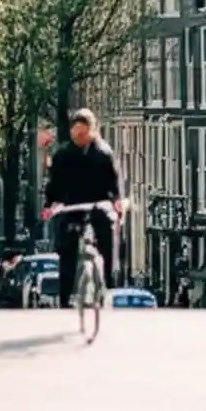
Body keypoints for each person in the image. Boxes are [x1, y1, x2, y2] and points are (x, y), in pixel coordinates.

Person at [42, 109, 125, 308]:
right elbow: (53, 185)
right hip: (72, 207)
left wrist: (118, 202)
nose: (79, 137)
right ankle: (65, 298)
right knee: (67, 248)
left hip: (98, 205)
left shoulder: (104, 154)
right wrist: (50, 205)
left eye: (84, 132)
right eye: (76, 132)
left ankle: (109, 285)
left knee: (107, 233)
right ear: (71, 132)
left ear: (92, 131)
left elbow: (115, 183)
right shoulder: (63, 155)